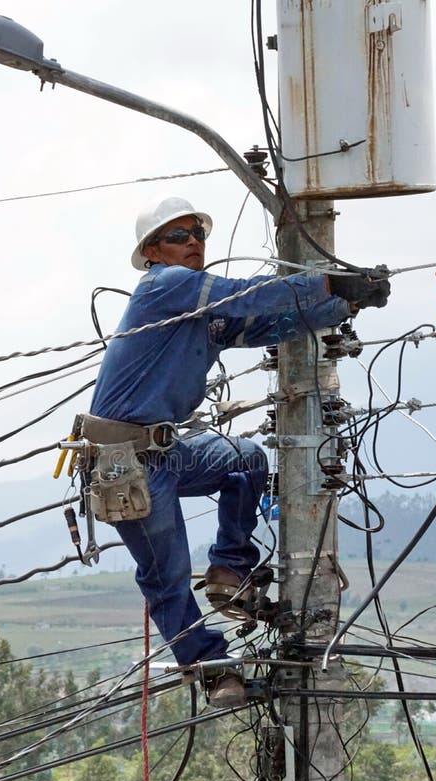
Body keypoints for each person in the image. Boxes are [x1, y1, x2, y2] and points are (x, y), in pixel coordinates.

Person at [87, 197, 389, 706]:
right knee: (165, 579)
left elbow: (264, 325)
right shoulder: (165, 286)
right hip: (125, 462)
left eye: (198, 235)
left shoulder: (197, 311)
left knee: (245, 459)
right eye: (181, 236)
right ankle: (211, 668)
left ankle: (229, 568)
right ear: (154, 251)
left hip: (165, 451)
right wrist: (331, 282)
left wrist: (343, 304)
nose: (195, 244)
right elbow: (245, 296)